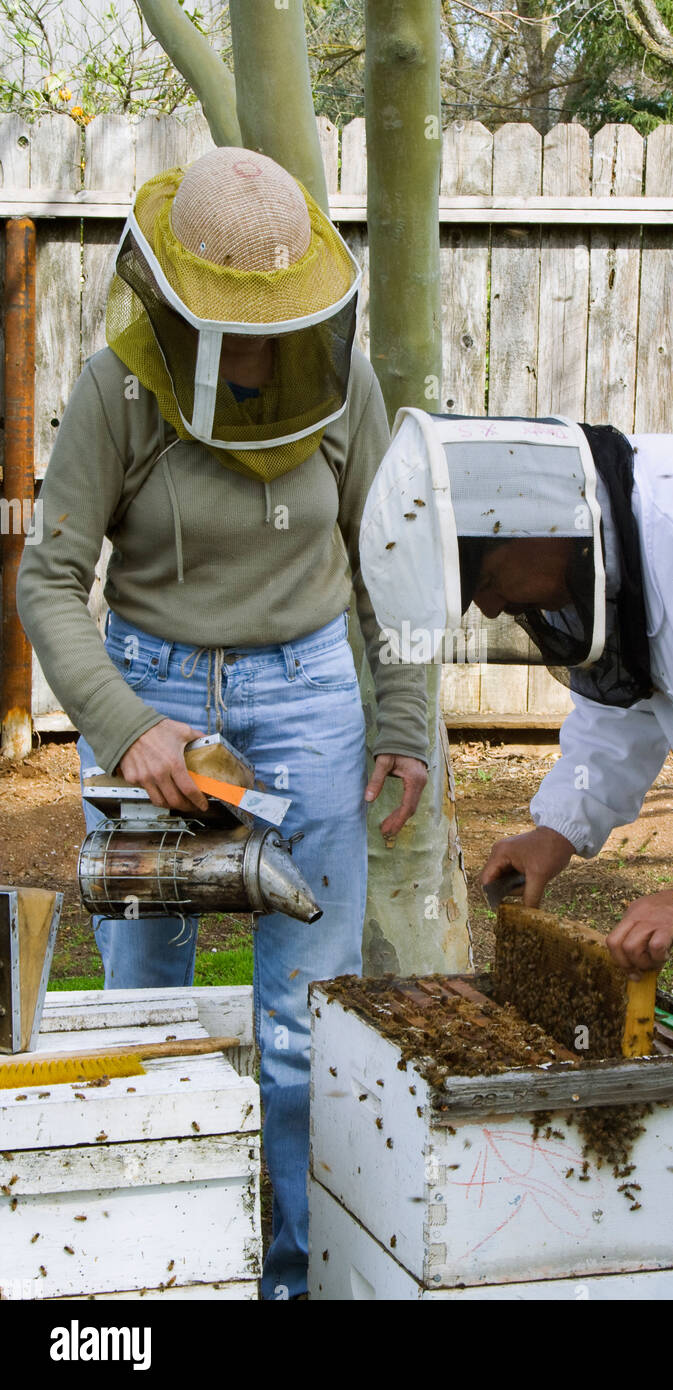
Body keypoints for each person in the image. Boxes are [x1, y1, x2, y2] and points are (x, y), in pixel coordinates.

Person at [17, 147, 430, 1299]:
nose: (254, 350)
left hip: (305, 697)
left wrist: (400, 717)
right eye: (230, 323)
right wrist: (123, 723)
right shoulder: (118, 389)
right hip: (150, 695)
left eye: (274, 320)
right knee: (143, 1011)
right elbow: (49, 580)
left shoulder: (347, 390)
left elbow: (390, 565)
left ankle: (295, 1281)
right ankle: (142, 1281)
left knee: (304, 1028)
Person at [359, 409, 673, 1302]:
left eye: (478, 573)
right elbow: (623, 692)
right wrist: (560, 825)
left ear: (530, 515)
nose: (484, 603)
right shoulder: (609, 550)